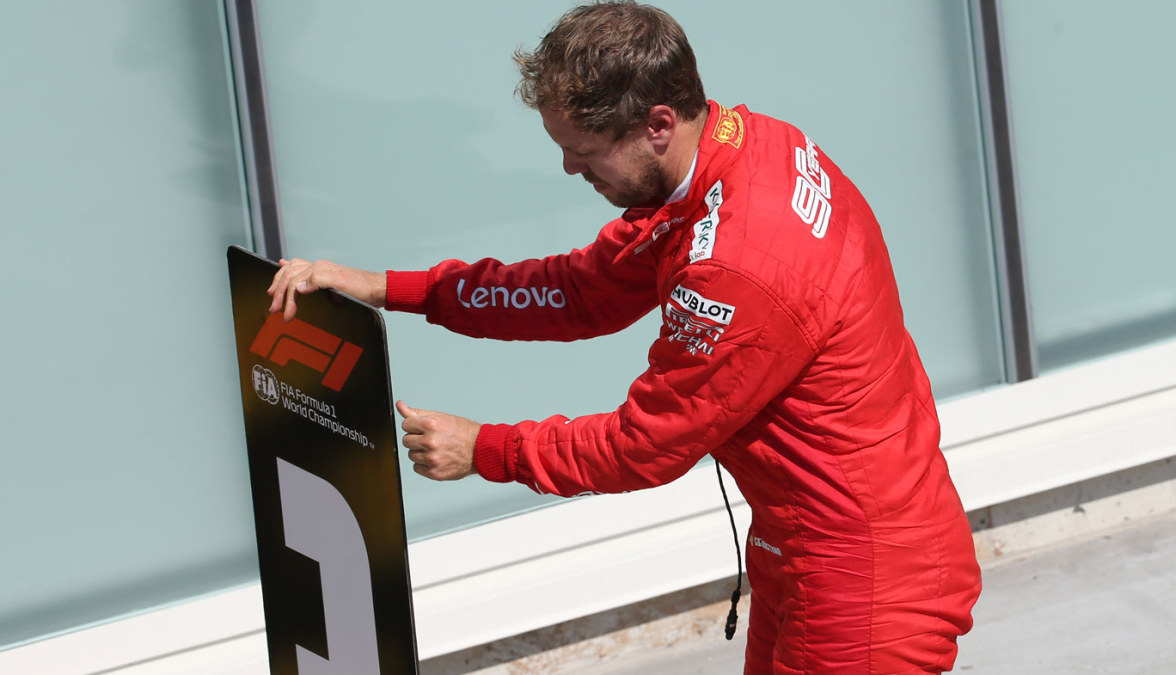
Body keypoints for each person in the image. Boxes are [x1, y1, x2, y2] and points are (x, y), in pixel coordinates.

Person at [267, 1, 982, 672]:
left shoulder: (740, 260)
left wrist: (484, 448)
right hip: (808, 542)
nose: (569, 168)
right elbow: (583, 291)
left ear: (658, 123)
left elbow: (646, 445)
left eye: (583, 151)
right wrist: (390, 288)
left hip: (861, 577)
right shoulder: (742, 151)